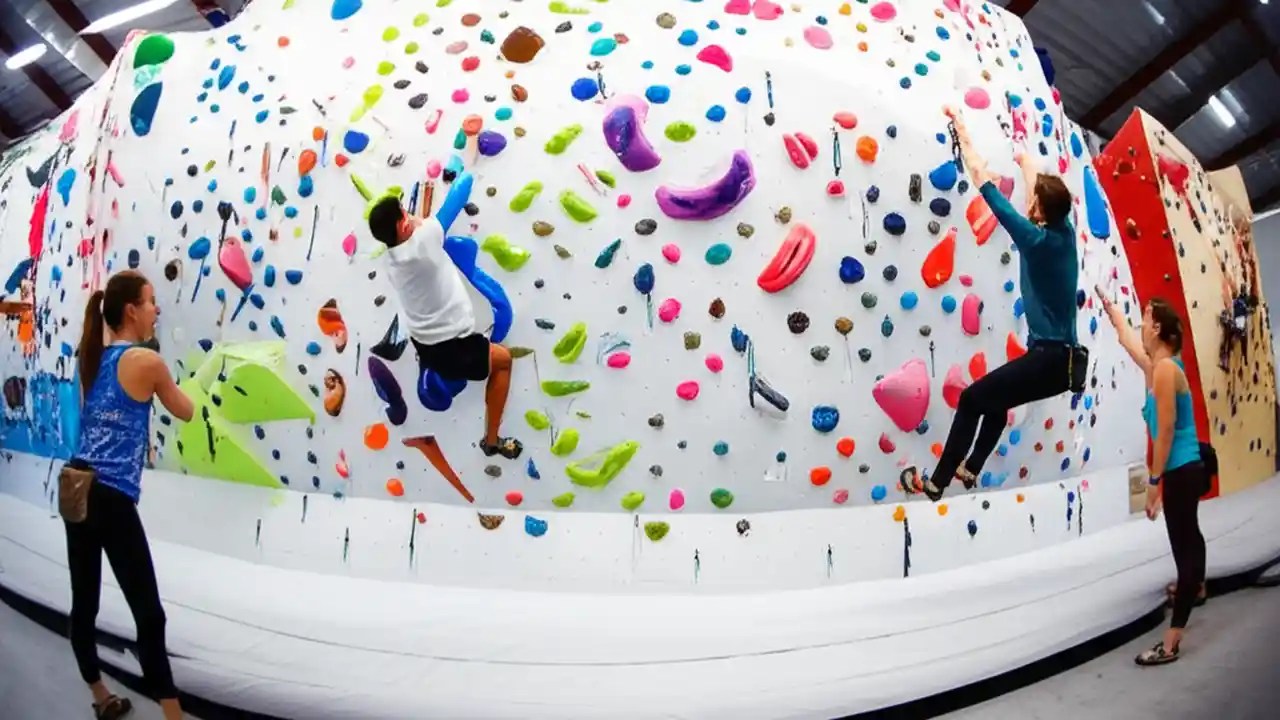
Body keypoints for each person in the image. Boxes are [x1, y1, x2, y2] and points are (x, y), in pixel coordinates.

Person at [921, 107, 1080, 502]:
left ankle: (937, 481)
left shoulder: (1035, 241)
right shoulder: (1064, 232)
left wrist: (962, 130)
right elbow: (1034, 180)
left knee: (972, 399)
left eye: (1033, 202)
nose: (1028, 204)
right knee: (997, 399)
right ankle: (971, 468)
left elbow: (980, 178)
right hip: (1062, 362)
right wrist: (1024, 158)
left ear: (1039, 210)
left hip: (1049, 359)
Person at [68, 270, 194, 719]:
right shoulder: (147, 362)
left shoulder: (92, 356)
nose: (156, 309)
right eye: (151, 301)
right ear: (131, 311)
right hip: (110, 497)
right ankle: (173, 715)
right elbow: (187, 411)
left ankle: (100, 696)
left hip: (76, 486)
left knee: (85, 603)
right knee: (149, 614)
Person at [1097, 290, 1208, 666]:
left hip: (1179, 470)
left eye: (1145, 318)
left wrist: (1154, 483)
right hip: (1185, 469)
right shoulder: (1159, 368)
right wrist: (1113, 312)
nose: (1141, 325)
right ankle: (1197, 586)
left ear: (1157, 327)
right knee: (1190, 536)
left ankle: (1172, 641)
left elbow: (1166, 432)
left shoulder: (1164, 371)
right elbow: (1131, 343)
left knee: (1184, 547)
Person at [367, 195, 522, 459]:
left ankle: (437, 372)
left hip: (426, 342)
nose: (410, 215)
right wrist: (421, 223)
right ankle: (492, 441)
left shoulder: (391, 260)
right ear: (403, 225)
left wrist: (413, 223)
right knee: (504, 361)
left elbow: (414, 233)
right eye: (405, 213)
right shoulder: (425, 242)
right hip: (451, 346)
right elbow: (460, 192)